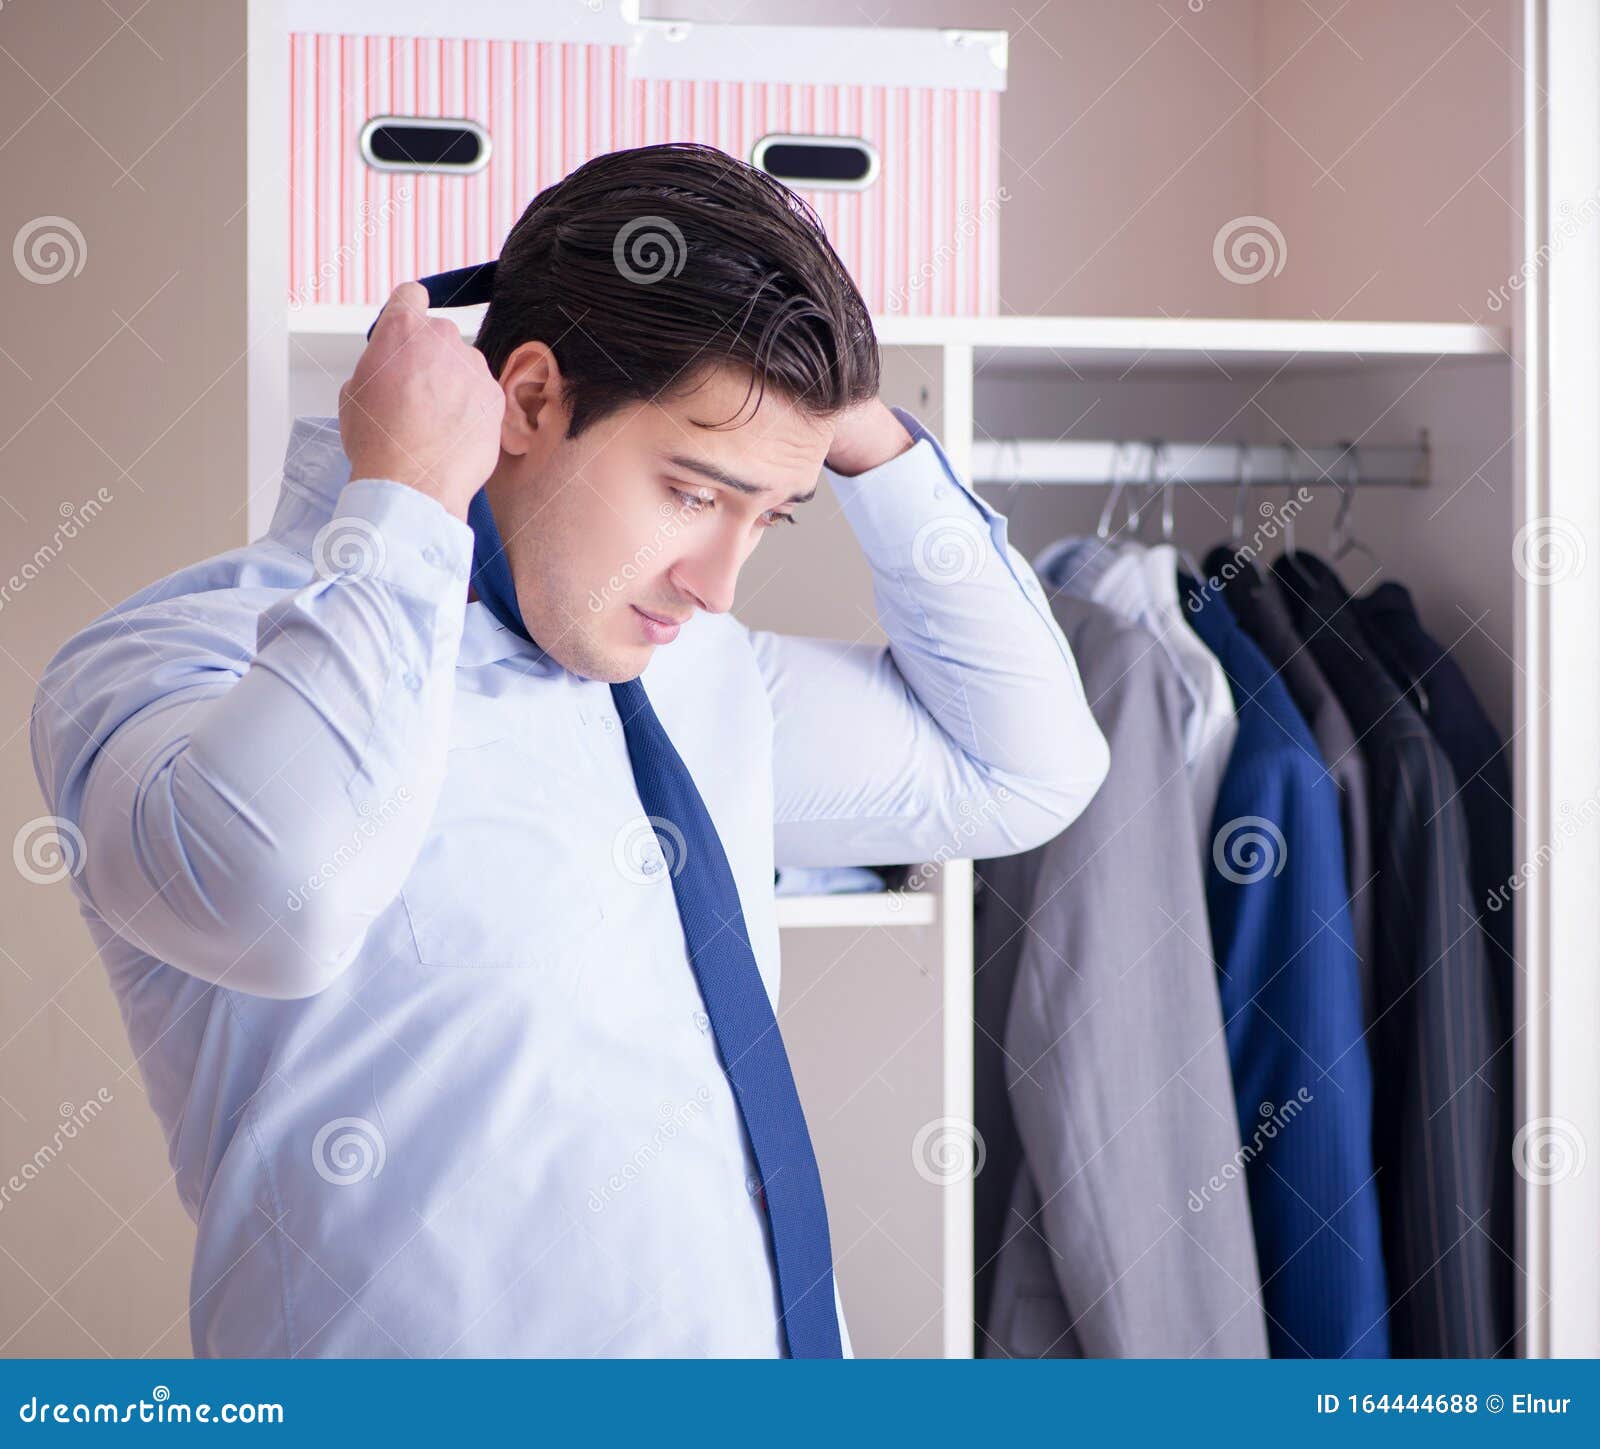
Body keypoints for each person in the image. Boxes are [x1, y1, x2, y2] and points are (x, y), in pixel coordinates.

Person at [29, 142, 1109, 1358]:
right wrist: (405, 498)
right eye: (694, 493)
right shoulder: (169, 666)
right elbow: (286, 899)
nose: (716, 583)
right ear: (529, 400)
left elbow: (1024, 769)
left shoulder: (695, 678)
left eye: (770, 515)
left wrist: (849, 423)